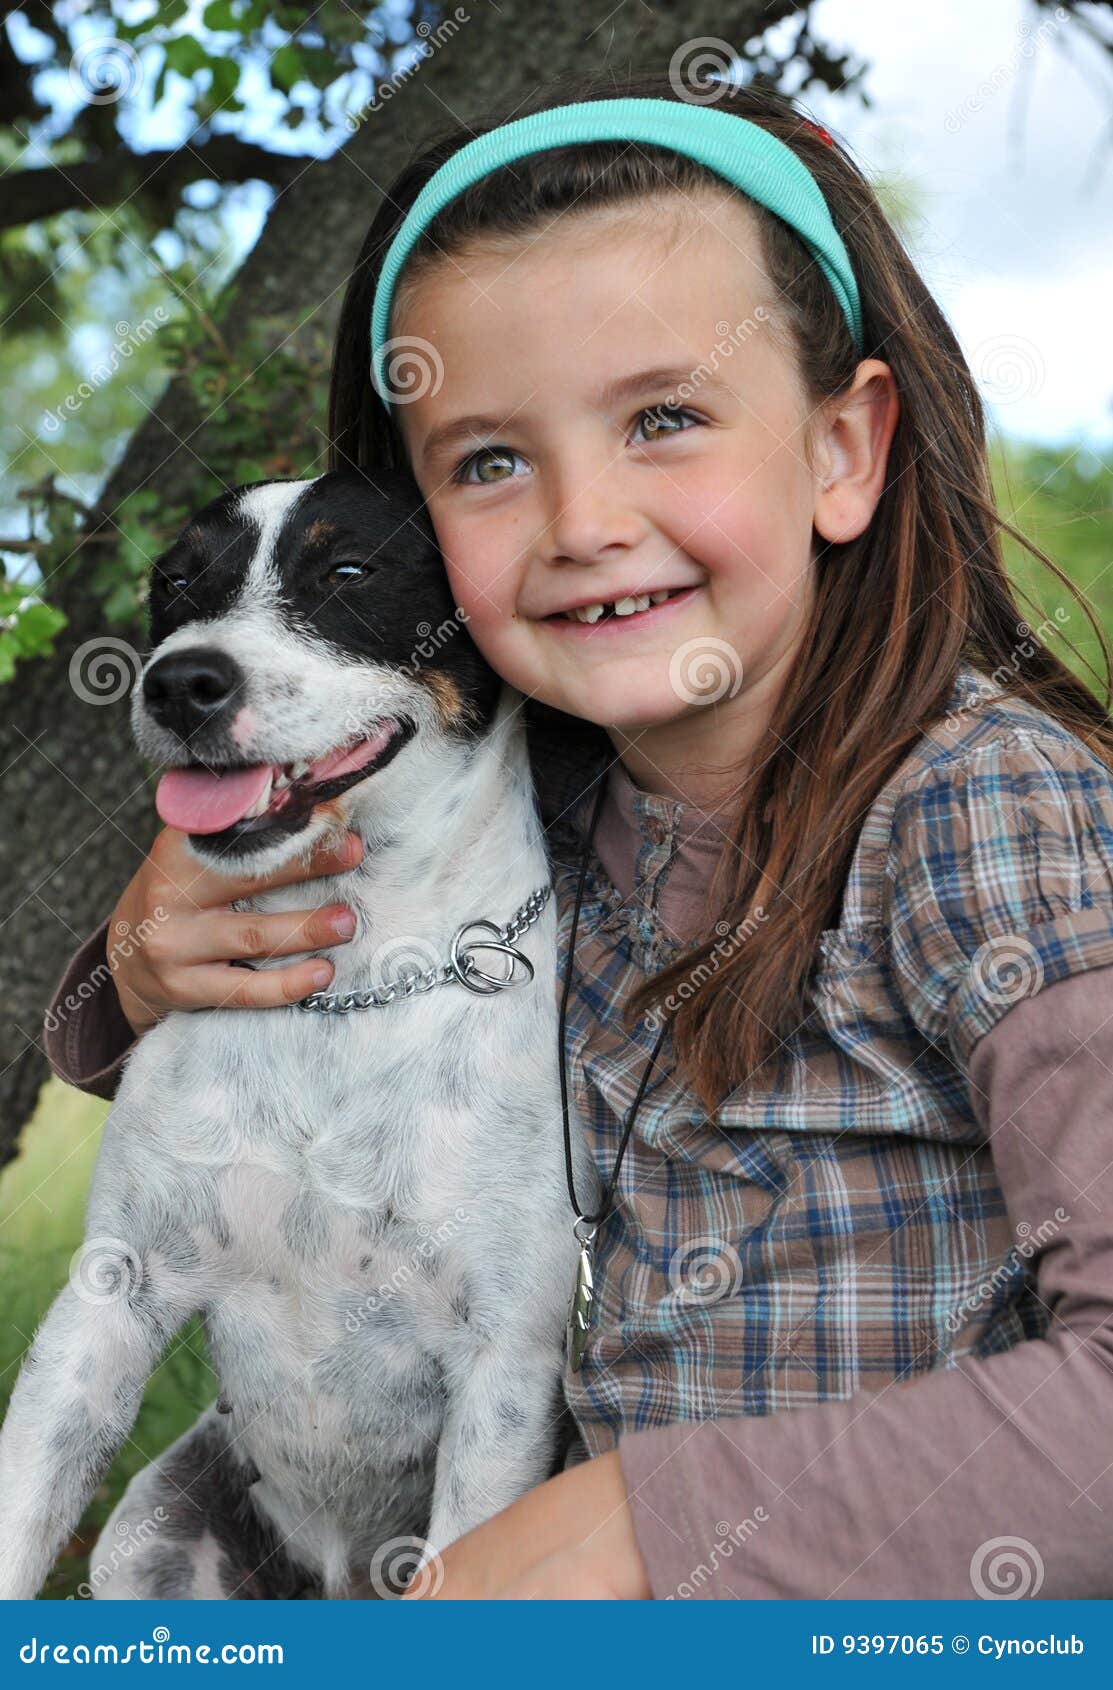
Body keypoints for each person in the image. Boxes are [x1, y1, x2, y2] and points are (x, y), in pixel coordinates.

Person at [42, 73, 1113, 1600]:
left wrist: (643, 1525)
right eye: (486, 460)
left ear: (840, 449)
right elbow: (263, 1049)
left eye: (663, 418)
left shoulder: (978, 812)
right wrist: (135, 977)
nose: (579, 518)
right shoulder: (530, 801)